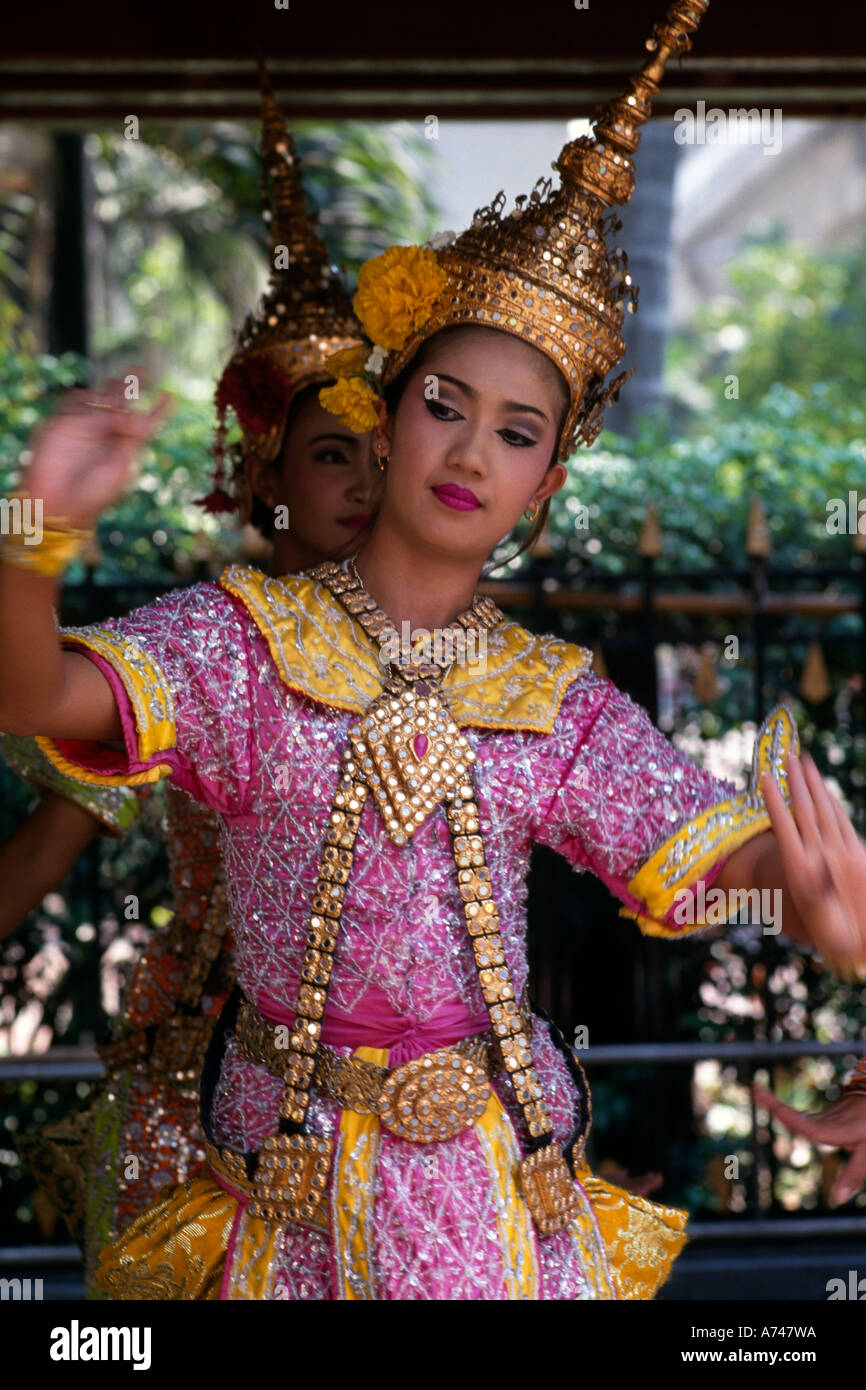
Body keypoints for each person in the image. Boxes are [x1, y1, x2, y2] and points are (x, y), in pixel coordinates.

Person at [1, 0, 865, 1301]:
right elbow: (35, 693)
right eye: (443, 405)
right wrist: (35, 531)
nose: (468, 450)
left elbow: (708, 876)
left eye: (515, 432)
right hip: (281, 1196)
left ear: (547, 486)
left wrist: (822, 914)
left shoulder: (551, 704)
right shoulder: (244, 643)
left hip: (488, 1197)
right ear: (387, 413)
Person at [0, 73, 378, 1295]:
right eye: (332, 457)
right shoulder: (210, 645)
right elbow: (39, 810)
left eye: (387, 456)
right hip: (204, 1106)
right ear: (265, 477)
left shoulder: (450, 644)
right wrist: (35, 534)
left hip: (416, 1127)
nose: (367, 485)